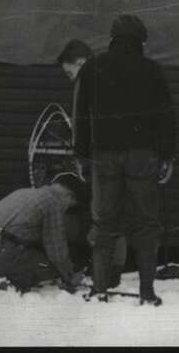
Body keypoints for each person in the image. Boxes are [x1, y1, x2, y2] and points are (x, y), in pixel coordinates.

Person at [73, 15, 175, 306]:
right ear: (140, 40)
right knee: (146, 224)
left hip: (104, 156)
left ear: (112, 37)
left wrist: (81, 154)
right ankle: (146, 293)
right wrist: (167, 156)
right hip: (143, 156)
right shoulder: (152, 70)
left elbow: (82, 116)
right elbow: (166, 118)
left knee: (104, 223)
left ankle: (100, 290)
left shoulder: (92, 67)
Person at [55, 37, 127, 287]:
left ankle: (102, 273)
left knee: (100, 214)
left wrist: (80, 158)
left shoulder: (85, 80)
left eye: (69, 71)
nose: (70, 78)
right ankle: (114, 270)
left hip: (100, 156)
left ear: (80, 62)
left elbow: (80, 123)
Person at [0, 174, 84, 294]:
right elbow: (57, 252)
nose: (66, 210)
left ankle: (12, 276)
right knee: (49, 266)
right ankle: (14, 285)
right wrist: (70, 276)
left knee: (31, 255)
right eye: (70, 206)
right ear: (68, 196)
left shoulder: (24, 192)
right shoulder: (53, 202)